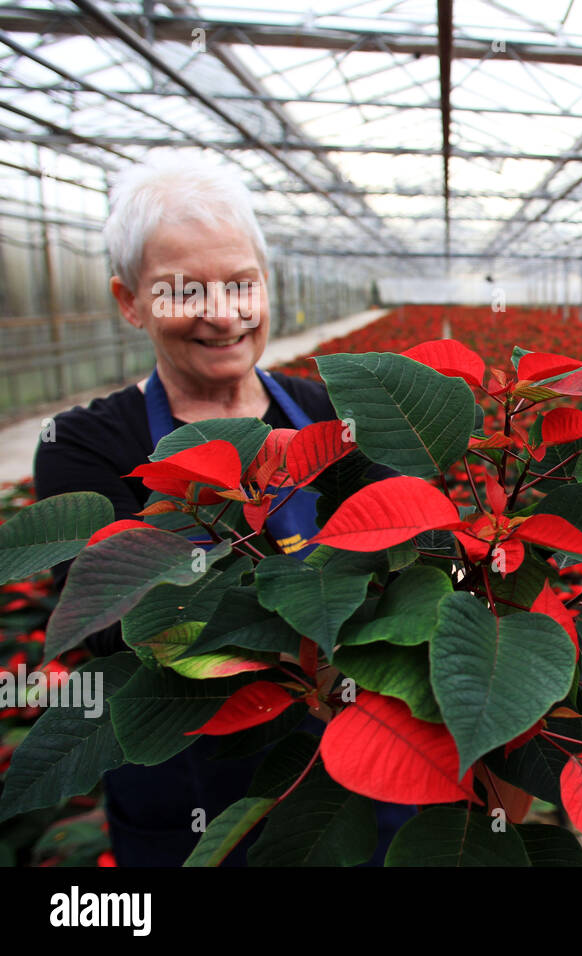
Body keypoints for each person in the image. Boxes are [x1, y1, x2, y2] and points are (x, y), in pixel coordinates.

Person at [31, 153, 413, 866]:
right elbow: (120, 630)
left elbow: (409, 562)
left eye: (242, 284)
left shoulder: (337, 414)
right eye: (184, 291)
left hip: (355, 781)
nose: (223, 314)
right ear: (129, 300)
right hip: (194, 802)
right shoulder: (84, 449)